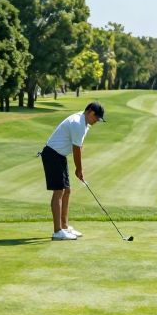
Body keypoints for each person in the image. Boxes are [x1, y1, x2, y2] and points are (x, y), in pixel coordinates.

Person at [40, 102, 105, 240]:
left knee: (67, 190)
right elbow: (76, 149)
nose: (96, 121)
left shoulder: (84, 124)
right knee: (59, 191)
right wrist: (79, 168)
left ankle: (64, 227)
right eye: (96, 118)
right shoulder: (77, 123)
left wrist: (79, 169)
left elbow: (79, 146)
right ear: (90, 112)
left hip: (59, 156)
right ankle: (57, 231)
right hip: (52, 154)